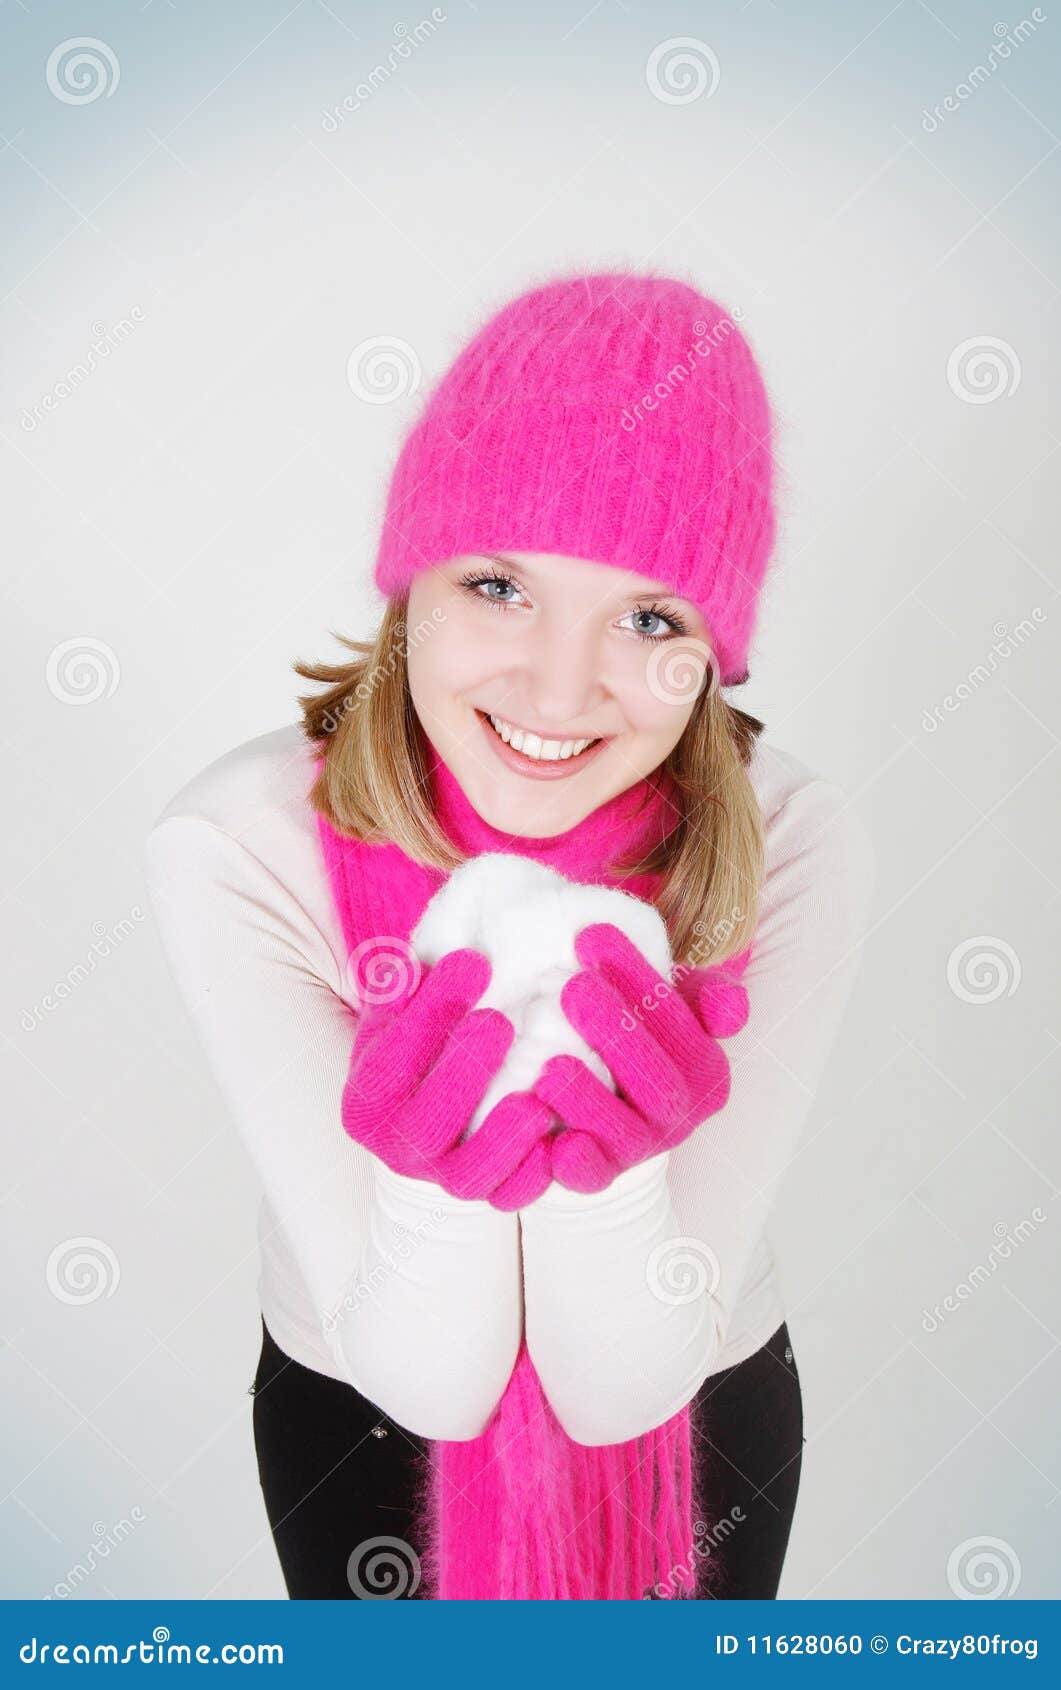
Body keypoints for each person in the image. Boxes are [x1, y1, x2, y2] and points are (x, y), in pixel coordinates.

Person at [144, 268, 876, 1600]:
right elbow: (425, 1375)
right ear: (410, 578)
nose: (556, 687)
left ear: (716, 650)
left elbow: (619, 1394)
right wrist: (437, 1175)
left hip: (699, 1421)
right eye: (498, 584)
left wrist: (614, 1178)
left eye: (648, 616)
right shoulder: (242, 843)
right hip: (360, 1425)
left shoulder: (789, 832)